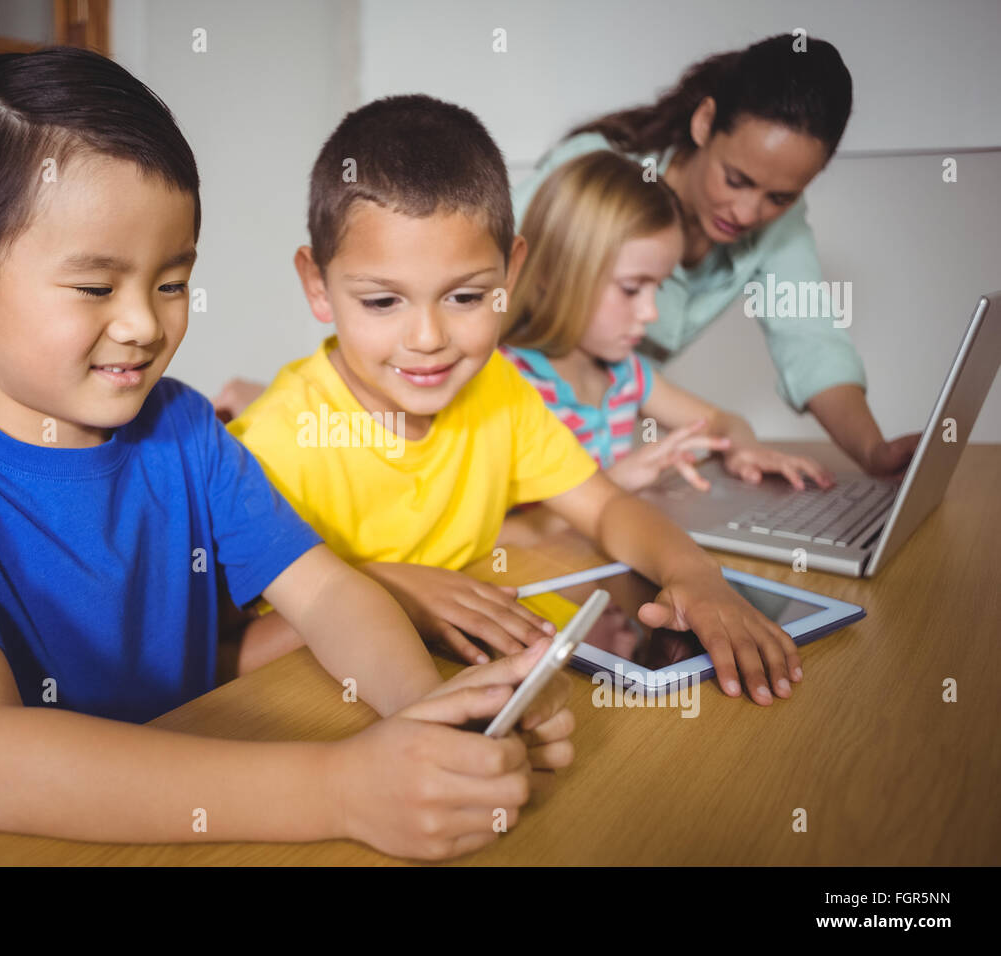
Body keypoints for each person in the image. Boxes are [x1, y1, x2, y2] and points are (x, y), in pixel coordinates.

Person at [0, 47, 577, 863]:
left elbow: (328, 596)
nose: (146, 324)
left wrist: (432, 716)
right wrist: (341, 788)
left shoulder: (184, 429)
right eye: (95, 286)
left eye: (172, 281)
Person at [227, 93, 804, 709]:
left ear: (510, 276)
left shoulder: (499, 390)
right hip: (327, 705)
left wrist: (694, 575)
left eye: (467, 298)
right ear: (318, 286)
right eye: (382, 302)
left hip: (469, 664)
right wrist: (384, 591)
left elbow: (607, 510)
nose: (428, 339)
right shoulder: (267, 447)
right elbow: (219, 656)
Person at [512, 33, 919, 477]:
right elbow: (481, 282)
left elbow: (812, 340)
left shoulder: (627, 374)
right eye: (736, 179)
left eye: (780, 197)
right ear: (705, 122)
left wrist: (874, 453)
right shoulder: (594, 179)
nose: (747, 213)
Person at [501, 149, 834, 495]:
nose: (651, 313)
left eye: (656, 288)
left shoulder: (624, 374)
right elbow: (497, 536)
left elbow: (723, 422)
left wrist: (744, 449)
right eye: (631, 289)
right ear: (552, 275)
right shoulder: (504, 386)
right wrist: (613, 484)